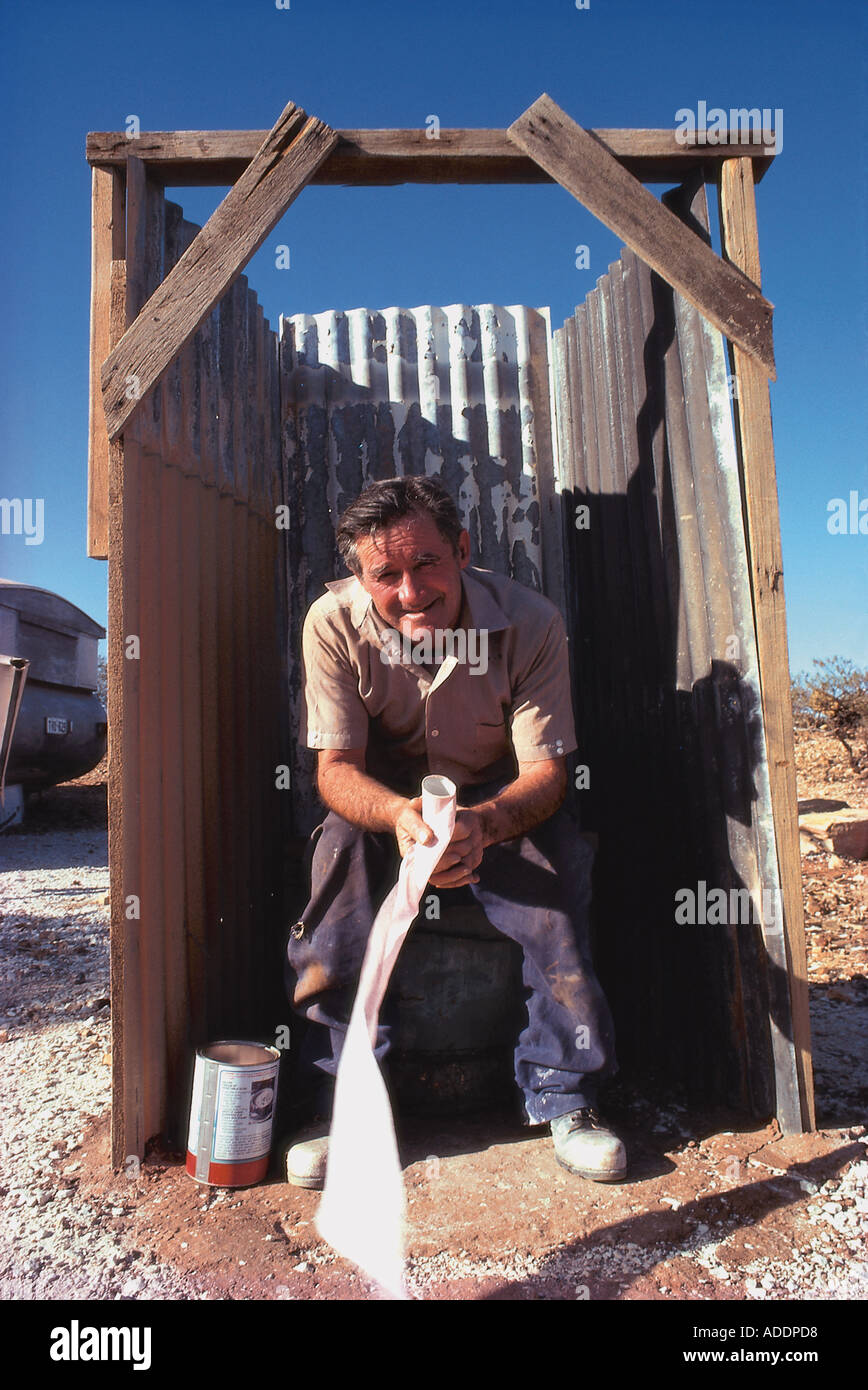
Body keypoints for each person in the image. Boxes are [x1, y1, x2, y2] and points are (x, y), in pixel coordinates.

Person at [284, 475, 625, 1186]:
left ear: (462, 549)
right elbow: (336, 770)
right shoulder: (332, 623)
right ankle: (345, 1101)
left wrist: (488, 822)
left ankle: (565, 1093)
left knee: (559, 857)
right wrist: (398, 816)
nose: (411, 592)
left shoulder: (531, 622)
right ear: (360, 575)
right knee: (339, 850)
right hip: (388, 806)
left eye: (427, 564)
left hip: (498, 800)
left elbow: (547, 775)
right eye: (387, 574)